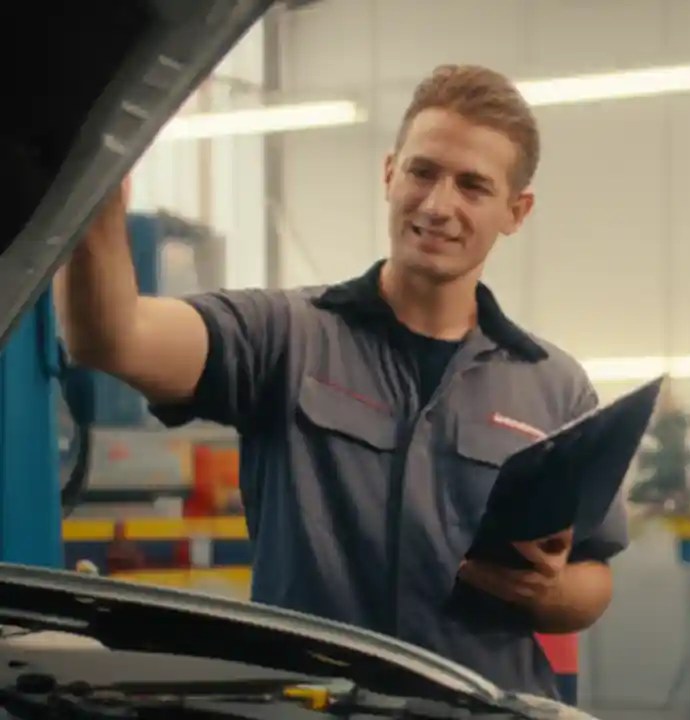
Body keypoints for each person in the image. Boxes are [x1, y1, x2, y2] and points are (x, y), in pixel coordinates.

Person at [55, 64, 628, 698]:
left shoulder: (554, 387)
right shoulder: (284, 338)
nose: (439, 205)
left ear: (516, 211)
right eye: (423, 172)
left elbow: (593, 576)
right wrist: (93, 188)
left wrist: (547, 589)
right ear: (389, 174)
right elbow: (111, 338)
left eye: (472, 186)